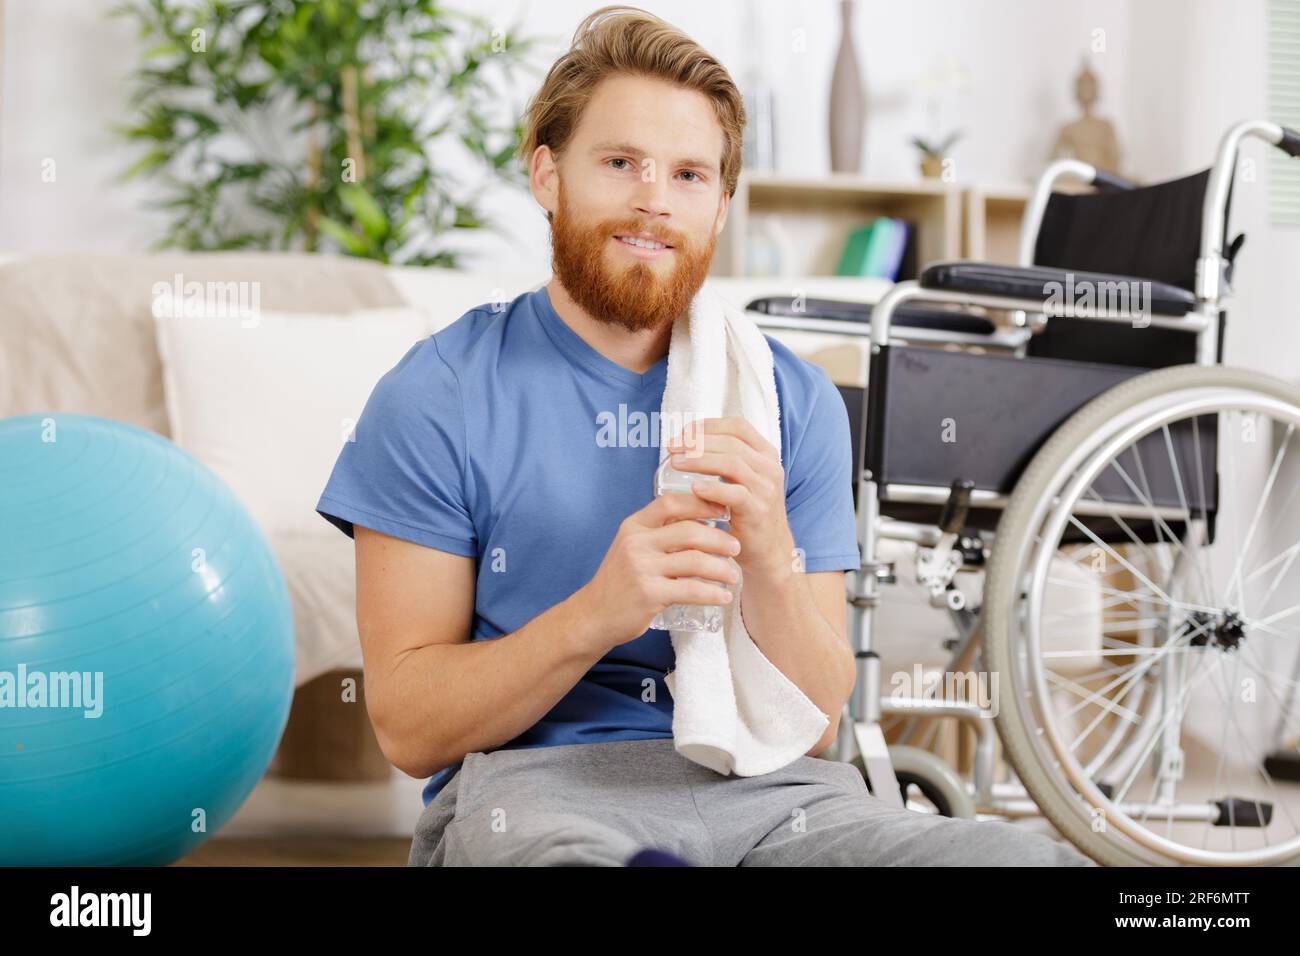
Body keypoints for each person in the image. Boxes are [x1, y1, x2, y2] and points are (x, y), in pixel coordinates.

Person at [315, 4, 1097, 868]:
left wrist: (767, 552)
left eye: (690, 176)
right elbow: (407, 726)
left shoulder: (787, 400)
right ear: (548, 176)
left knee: (1014, 862)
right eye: (620, 163)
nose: (655, 200)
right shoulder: (440, 393)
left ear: (721, 206)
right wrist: (594, 616)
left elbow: (821, 714)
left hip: (773, 796)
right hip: (539, 795)